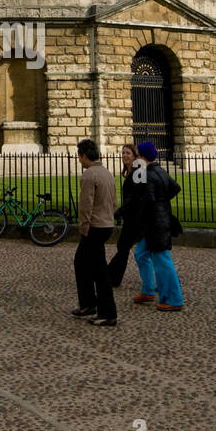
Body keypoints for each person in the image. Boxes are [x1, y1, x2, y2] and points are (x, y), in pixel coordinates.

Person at [131, 141, 185, 311]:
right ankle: (148, 291)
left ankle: (174, 299)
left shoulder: (147, 175)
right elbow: (175, 188)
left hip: (155, 222)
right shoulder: (159, 170)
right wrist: (163, 200)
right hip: (158, 219)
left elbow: (148, 200)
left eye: (138, 155)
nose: (136, 158)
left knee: (163, 260)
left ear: (143, 157)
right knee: (140, 253)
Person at [72, 137, 118, 327]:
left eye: (79, 157)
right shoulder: (107, 173)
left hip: (94, 227)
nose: (79, 160)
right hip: (106, 224)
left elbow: (85, 206)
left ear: (84, 156)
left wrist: (84, 228)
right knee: (81, 262)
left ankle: (107, 313)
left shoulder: (90, 175)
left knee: (99, 272)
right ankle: (88, 304)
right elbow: (113, 202)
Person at [108, 143, 143, 287]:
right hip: (131, 216)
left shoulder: (139, 172)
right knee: (127, 248)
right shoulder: (130, 171)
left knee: (124, 247)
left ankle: (110, 276)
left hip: (138, 218)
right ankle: (113, 277)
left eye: (128, 153)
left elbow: (136, 197)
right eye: (123, 153)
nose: (124, 156)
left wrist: (118, 212)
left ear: (135, 156)